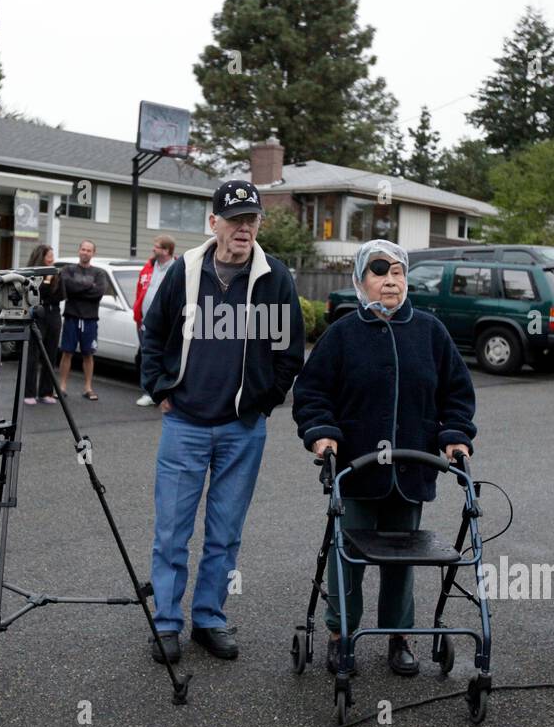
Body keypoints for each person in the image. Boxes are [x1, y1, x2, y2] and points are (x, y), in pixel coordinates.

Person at [292, 240, 477, 677]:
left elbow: (456, 392)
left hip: (412, 470)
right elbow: (312, 393)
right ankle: (341, 636)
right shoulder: (342, 334)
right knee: (347, 557)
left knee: (402, 561)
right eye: (379, 271)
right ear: (360, 281)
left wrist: (454, 436)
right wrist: (322, 435)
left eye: (398, 271)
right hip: (355, 472)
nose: (391, 279)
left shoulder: (430, 331)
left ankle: (399, 638)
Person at [139, 180, 305, 664]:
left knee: (225, 531)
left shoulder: (274, 276)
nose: (244, 228)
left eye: (251, 219)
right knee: (172, 530)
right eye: (235, 220)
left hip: (242, 430)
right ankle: (167, 623)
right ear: (214, 223)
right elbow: (154, 334)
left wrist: (263, 401)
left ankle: (209, 618)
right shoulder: (186, 271)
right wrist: (159, 388)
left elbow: (289, 351)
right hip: (184, 424)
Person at [57, 239, 111, 400]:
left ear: (93, 253)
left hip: (90, 319)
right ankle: (62, 387)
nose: (85, 252)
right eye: (83, 249)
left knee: (88, 354)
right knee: (67, 352)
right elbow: (67, 287)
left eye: (89, 250)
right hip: (71, 317)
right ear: (79, 250)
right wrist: (89, 286)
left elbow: (99, 292)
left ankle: (88, 388)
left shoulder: (99, 273)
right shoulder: (68, 270)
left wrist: (78, 288)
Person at [132, 235, 176, 407]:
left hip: (167, 324)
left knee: (166, 357)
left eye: (157, 246)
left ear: (166, 250)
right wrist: (137, 312)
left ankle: (166, 392)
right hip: (145, 321)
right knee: (147, 356)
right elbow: (140, 290)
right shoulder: (149, 266)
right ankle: (149, 391)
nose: (153, 249)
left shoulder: (176, 268)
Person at [23, 243, 63, 406]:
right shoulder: (31, 275)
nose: (52, 259)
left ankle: (46, 392)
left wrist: (48, 287)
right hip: (36, 316)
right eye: (49, 256)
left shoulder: (57, 273)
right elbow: (34, 296)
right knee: (32, 355)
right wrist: (46, 283)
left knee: (50, 354)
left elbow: (61, 295)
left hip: (53, 315)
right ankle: (29, 392)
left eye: (53, 256)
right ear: (41, 257)